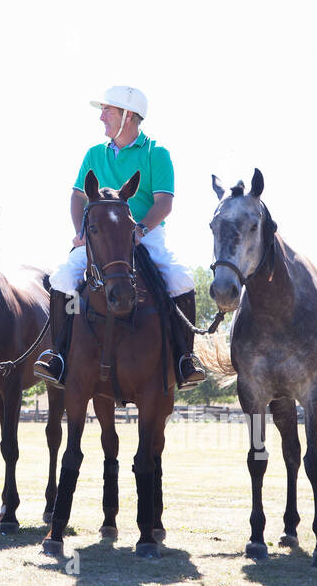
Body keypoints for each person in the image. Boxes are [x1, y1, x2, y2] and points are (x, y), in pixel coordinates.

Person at [33, 85, 206, 388]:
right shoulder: (93, 154)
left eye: (107, 110)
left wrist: (140, 229)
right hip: (99, 239)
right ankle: (58, 356)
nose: (101, 117)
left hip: (144, 235)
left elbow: (164, 203)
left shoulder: (157, 153)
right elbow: (76, 197)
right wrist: (80, 232)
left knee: (182, 281)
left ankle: (184, 360)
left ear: (128, 116)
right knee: (62, 280)